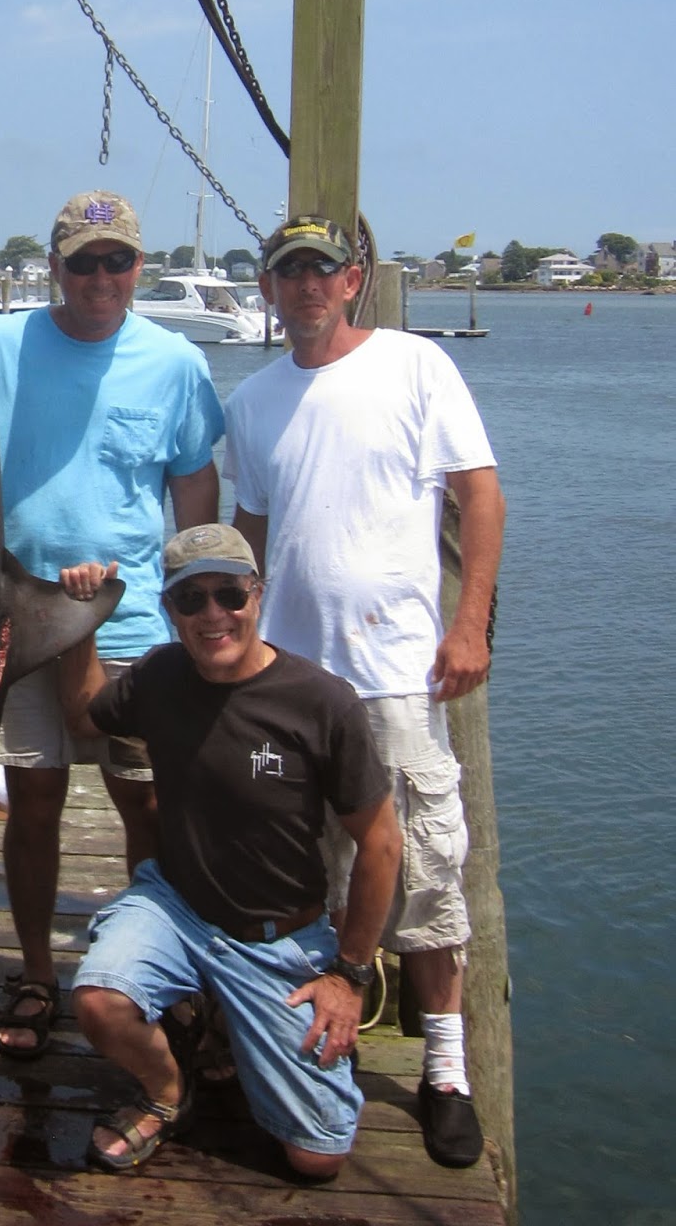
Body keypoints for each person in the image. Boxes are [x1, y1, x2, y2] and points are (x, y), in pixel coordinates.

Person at [224, 214, 507, 1169]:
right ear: (268, 290)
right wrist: (232, 648)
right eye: (289, 272)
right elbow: (250, 532)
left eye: (323, 270)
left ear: (355, 282)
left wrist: (468, 623)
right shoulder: (254, 400)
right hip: (293, 679)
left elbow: (480, 494)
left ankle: (445, 1069)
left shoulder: (417, 367)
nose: (306, 286)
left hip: (396, 675)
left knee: (426, 874)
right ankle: (320, 1038)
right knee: (305, 873)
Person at [59, 524, 401, 1178]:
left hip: (280, 938)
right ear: (169, 610)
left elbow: (382, 844)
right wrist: (81, 618)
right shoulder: (160, 675)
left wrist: (349, 976)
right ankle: (167, 1092)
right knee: (100, 1001)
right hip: (178, 908)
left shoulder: (322, 703)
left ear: (258, 595)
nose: (213, 615)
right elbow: (82, 718)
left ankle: (234, 1023)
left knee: (316, 1160)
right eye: (191, 601)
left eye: (229, 596)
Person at [0, 190, 223, 1059]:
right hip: (12, 613)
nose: (100, 278)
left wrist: (187, 601)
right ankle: (38, 971)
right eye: (82, 261)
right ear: (55, 266)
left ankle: (157, 973)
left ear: (138, 265)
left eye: (115, 260)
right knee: (35, 799)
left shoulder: (175, 363)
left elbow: (195, 494)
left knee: (146, 801)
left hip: (123, 623)